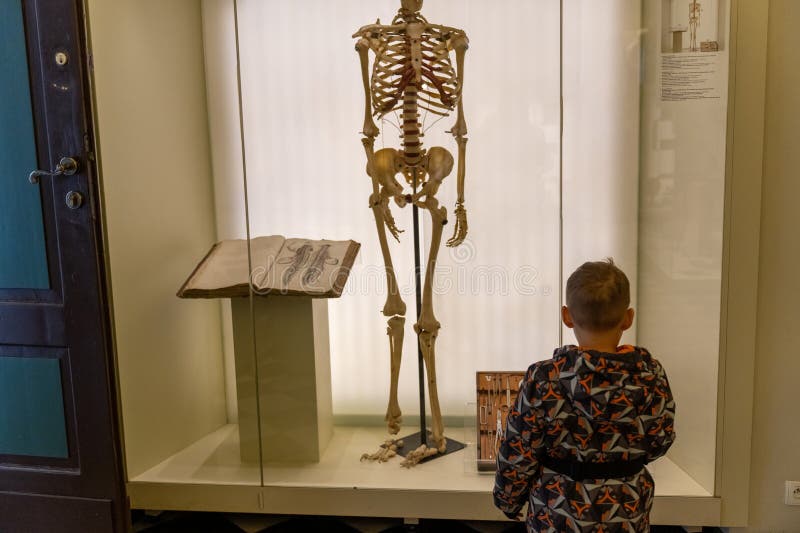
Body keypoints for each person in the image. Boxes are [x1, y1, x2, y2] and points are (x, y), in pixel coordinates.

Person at [493, 259, 676, 532]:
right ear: (628, 318)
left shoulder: (544, 379)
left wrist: (507, 502)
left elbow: (518, 453)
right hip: (626, 512)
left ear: (566, 316)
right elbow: (660, 441)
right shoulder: (651, 377)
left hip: (556, 513)